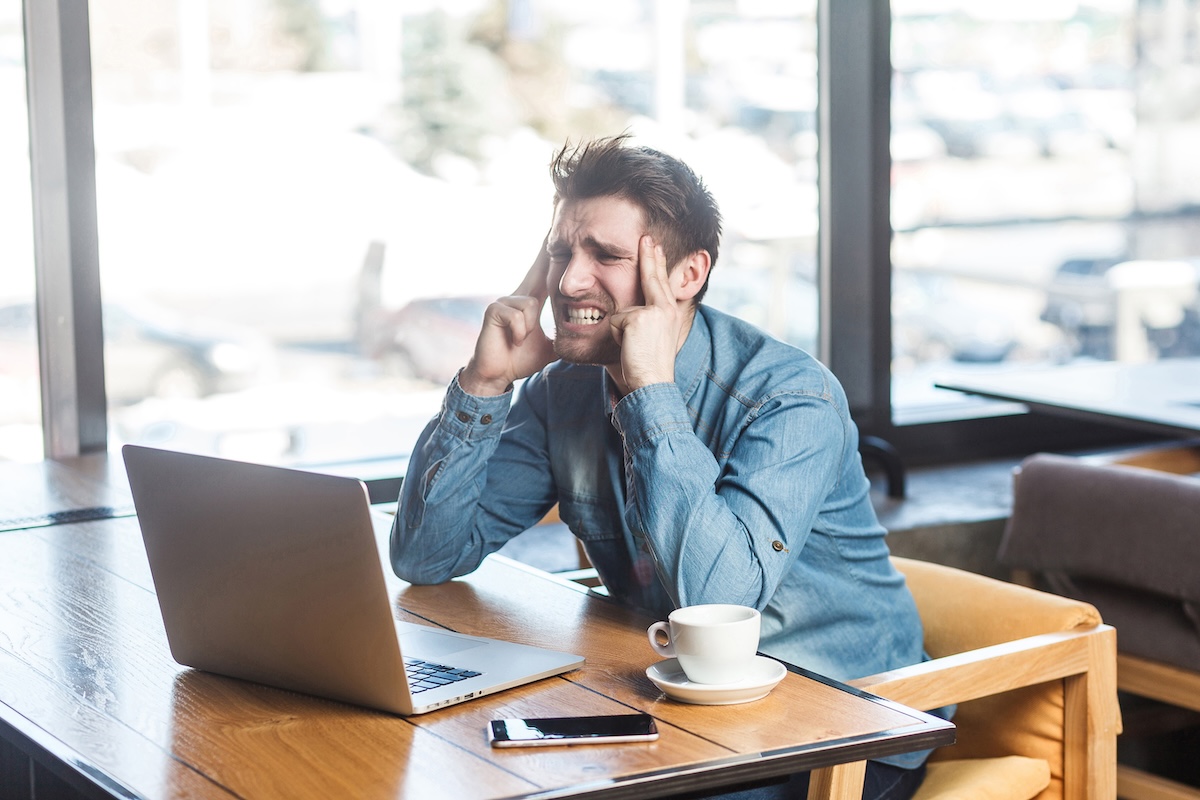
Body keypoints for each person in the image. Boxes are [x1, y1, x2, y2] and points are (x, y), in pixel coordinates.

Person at [390, 134, 938, 799]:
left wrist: (650, 393)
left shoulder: (792, 398)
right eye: (561, 252)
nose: (567, 282)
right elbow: (425, 556)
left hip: (840, 726)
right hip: (677, 709)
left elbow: (718, 605)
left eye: (607, 256)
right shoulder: (563, 389)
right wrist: (483, 384)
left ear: (687, 275)